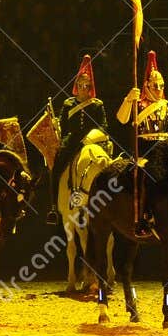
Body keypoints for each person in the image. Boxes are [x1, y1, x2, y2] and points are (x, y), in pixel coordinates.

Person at [118, 52, 168, 232]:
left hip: (166, 149)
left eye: (161, 85)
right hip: (145, 150)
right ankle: (146, 215)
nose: (159, 89)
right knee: (149, 177)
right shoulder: (138, 105)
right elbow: (121, 119)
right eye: (155, 86)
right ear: (147, 85)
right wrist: (128, 99)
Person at [49, 55, 110, 224]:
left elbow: (104, 126)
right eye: (81, 85)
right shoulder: (68, 104)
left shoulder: (97, 105)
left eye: (87, 86)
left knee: (108, 166)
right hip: (72, 142)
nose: (84, 89)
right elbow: (63, 127)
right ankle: (53, 208)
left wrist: (92, 137)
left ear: (91, 87)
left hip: (92, 142)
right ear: (76, 86)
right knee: (56, 168)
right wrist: (55, 126)